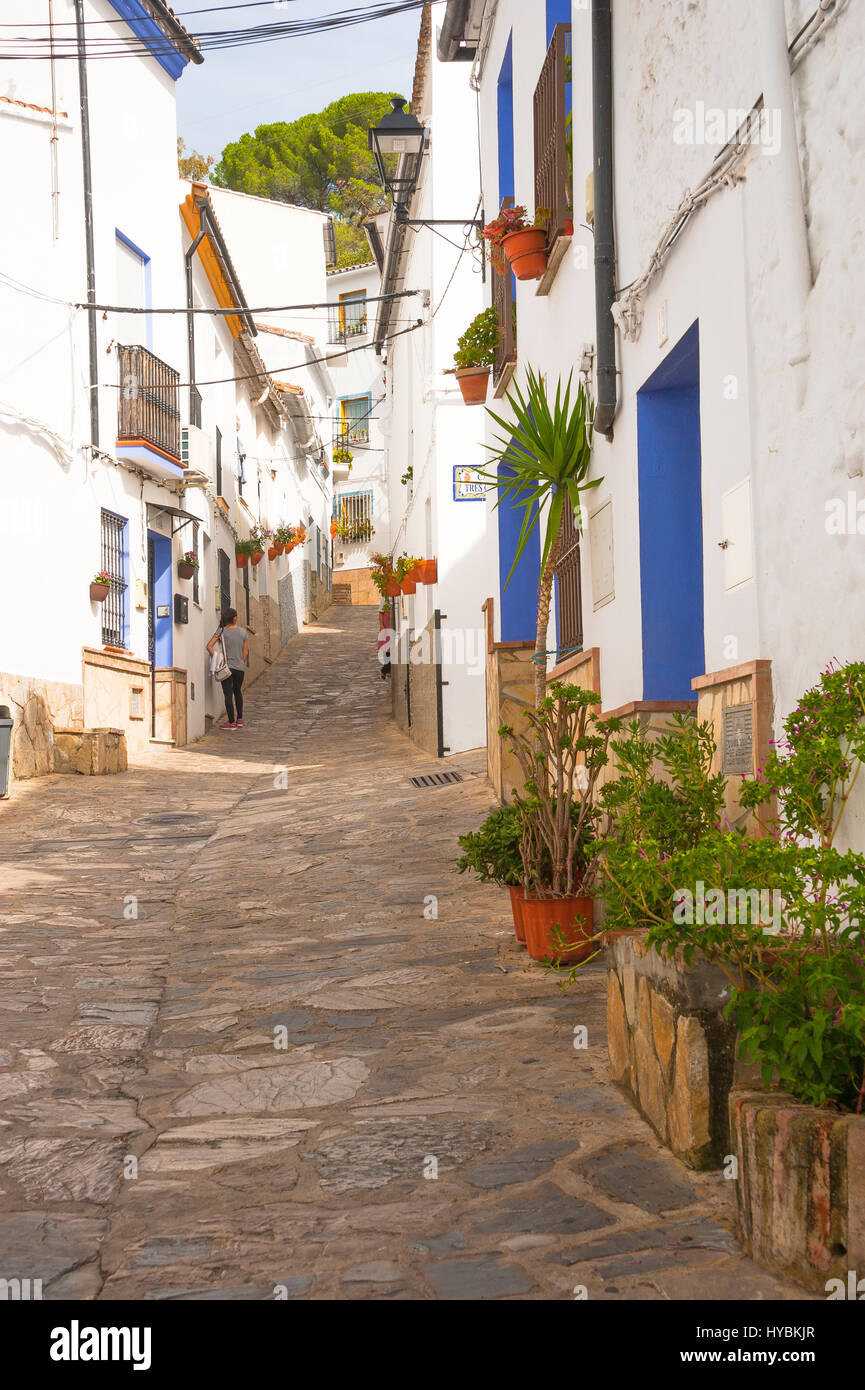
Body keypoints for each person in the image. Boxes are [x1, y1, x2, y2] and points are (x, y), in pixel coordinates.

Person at [207, 609, 249, 730]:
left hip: (227, 668)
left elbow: (209, 646)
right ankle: (240, 719)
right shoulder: (243, 632)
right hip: (240, 668)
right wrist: (241, 663)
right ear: (234, 618)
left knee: (228, 694)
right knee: (238, 692)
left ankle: (231, 722)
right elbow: (245, 652)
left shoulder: (221, 631)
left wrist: (218, 657)